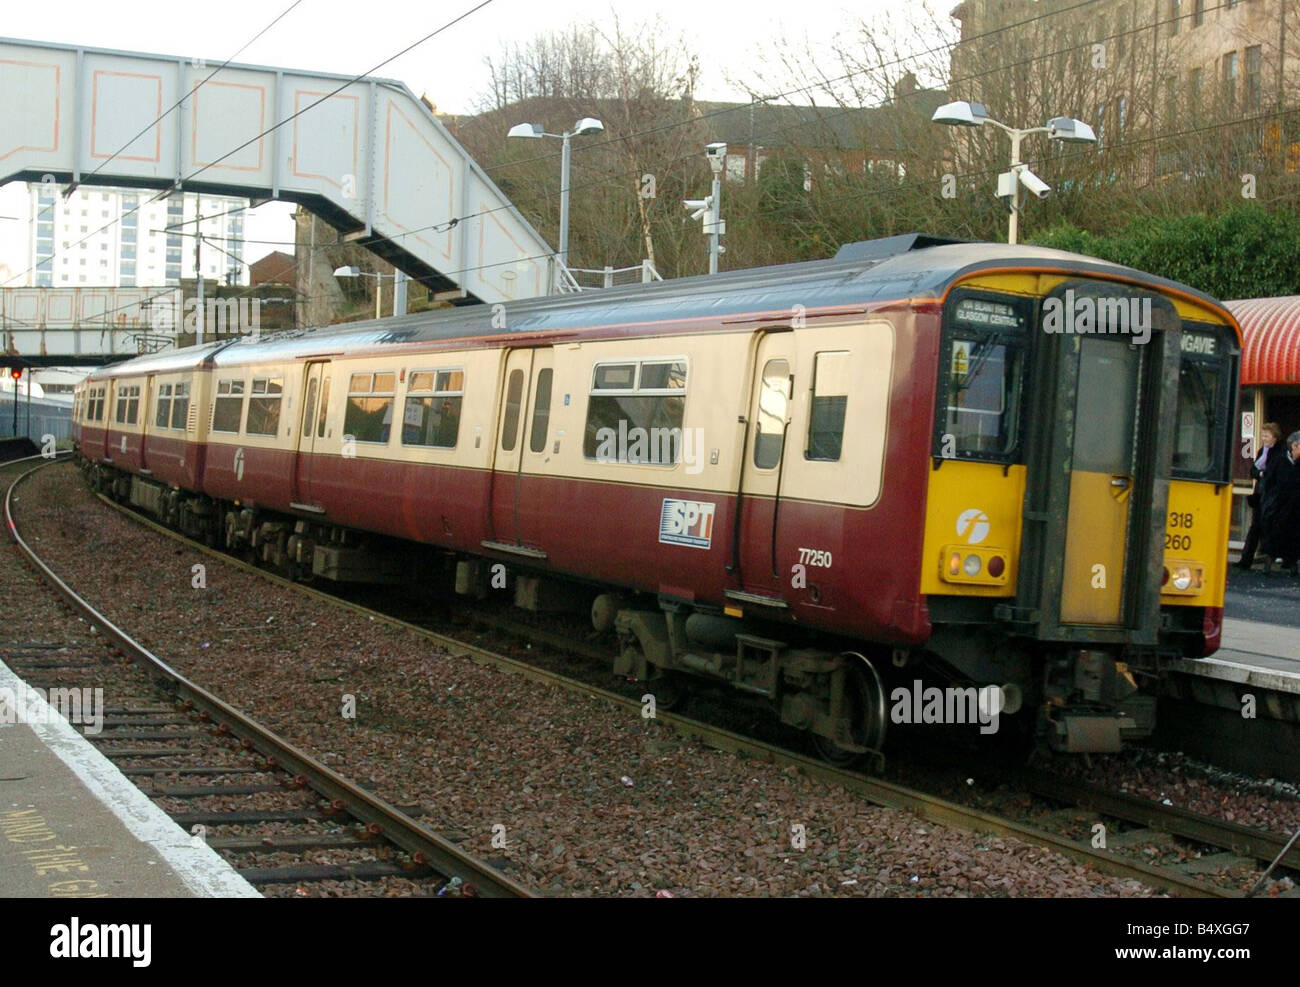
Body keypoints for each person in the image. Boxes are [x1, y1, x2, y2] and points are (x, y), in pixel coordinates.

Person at [1238, 422, 1282, 570]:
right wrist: (1261, 473)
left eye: (1266, 435)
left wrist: (1264, 474)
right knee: (1255, 527)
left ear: (1274, 437)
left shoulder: (1279, 453)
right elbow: (1253, 471)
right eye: (1262, 435)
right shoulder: (1261, 451)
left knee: (1269, 527)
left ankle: (1271, 560)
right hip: (1259, 493)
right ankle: (1246, 560)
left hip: (1271, 495)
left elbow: (1275, 473)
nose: (1264, 438)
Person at [1260, 430, 1300, 576]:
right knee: (1274, 536)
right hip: (1279, 505)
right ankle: (1268, 565)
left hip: (1296, 508)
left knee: (1294, 537)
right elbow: (1269, 481)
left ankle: (1292, 566)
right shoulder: (1280, 459)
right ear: (1294, 446)